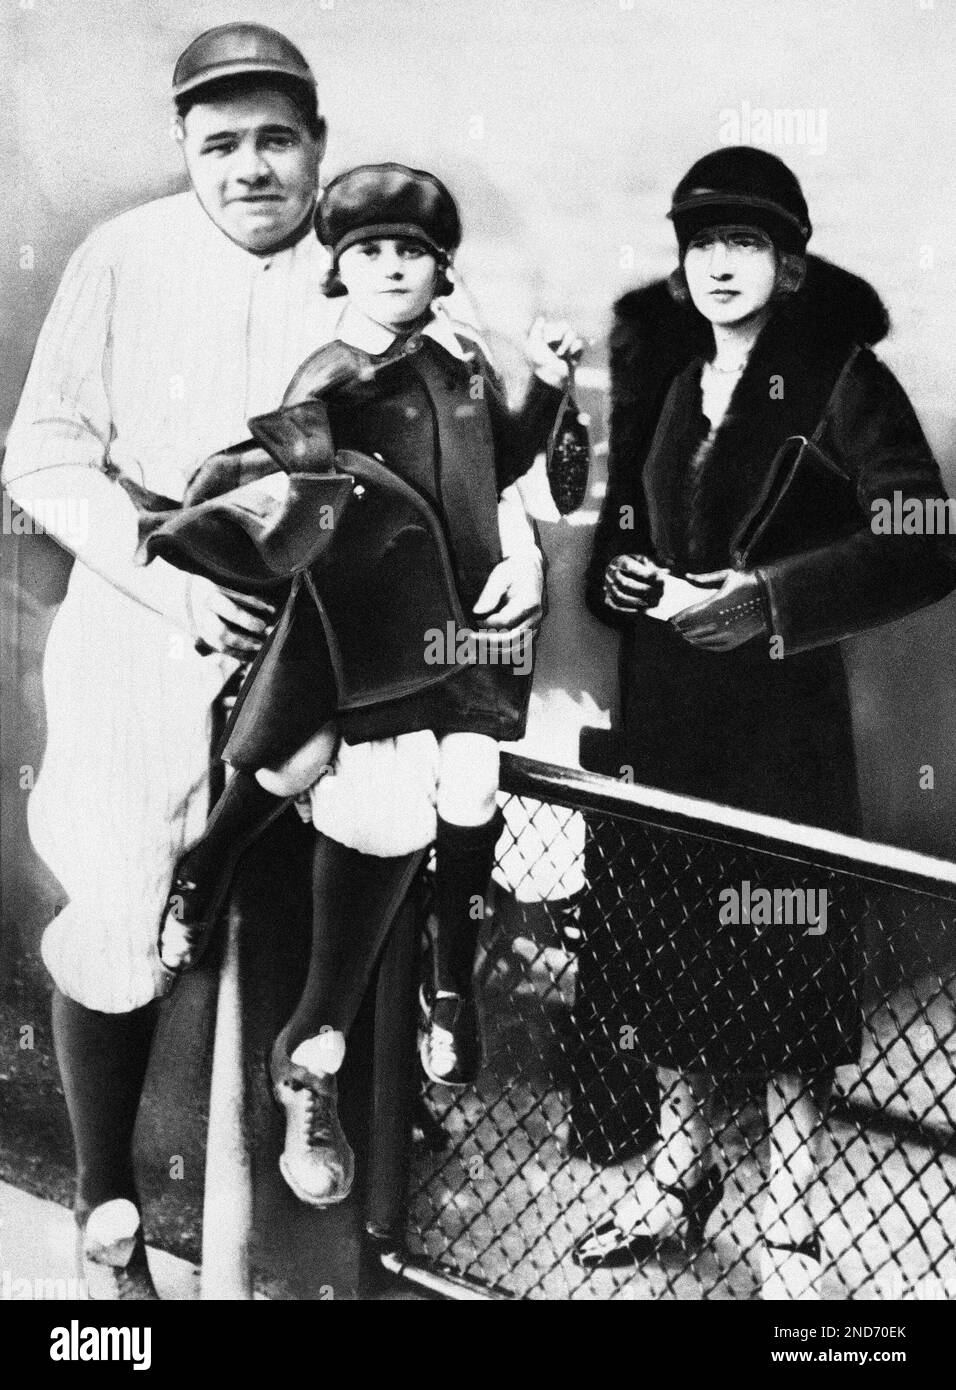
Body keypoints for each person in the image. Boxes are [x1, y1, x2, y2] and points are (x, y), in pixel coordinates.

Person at [2, 24, 541, 1299]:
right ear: (186, 148)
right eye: (221, 143)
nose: (251, 167)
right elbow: (39, 455)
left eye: (275, 140)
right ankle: (108, 1204)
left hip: (339, 636)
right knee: (124, 897)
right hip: (149, 624)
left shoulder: (378, 264)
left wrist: (513, 547)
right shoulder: (121, 257)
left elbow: (466, 441)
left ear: (317, 145)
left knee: (373, 815)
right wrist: (165, 578)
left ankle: (314, 1096)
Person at [147, 164, 580, 1181]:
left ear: (441, 271)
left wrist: (551, 389)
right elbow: (283, 490)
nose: (392, 266)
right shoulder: (327, 375)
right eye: (369, 252)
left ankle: (449, 982)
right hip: (366, 624)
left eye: (413, 252)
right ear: (340, 270)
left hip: (463, 623)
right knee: (299, 766)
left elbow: (504, 460)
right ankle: (208, 876)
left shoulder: (459, 360)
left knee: (472, 784)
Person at [579, 147, 956, 1298]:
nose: (718, 265)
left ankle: (788, 1218)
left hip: (776, 724)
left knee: (782, 956)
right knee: (669, 952)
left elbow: (921, 534)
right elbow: (620, 539)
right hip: (666, 717)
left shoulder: (839, 376)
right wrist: (626, 579)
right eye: (699, 244)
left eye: (744, 243)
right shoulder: (660, 373)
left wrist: (767, 602)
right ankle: (678, 1180)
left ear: (789, 266)